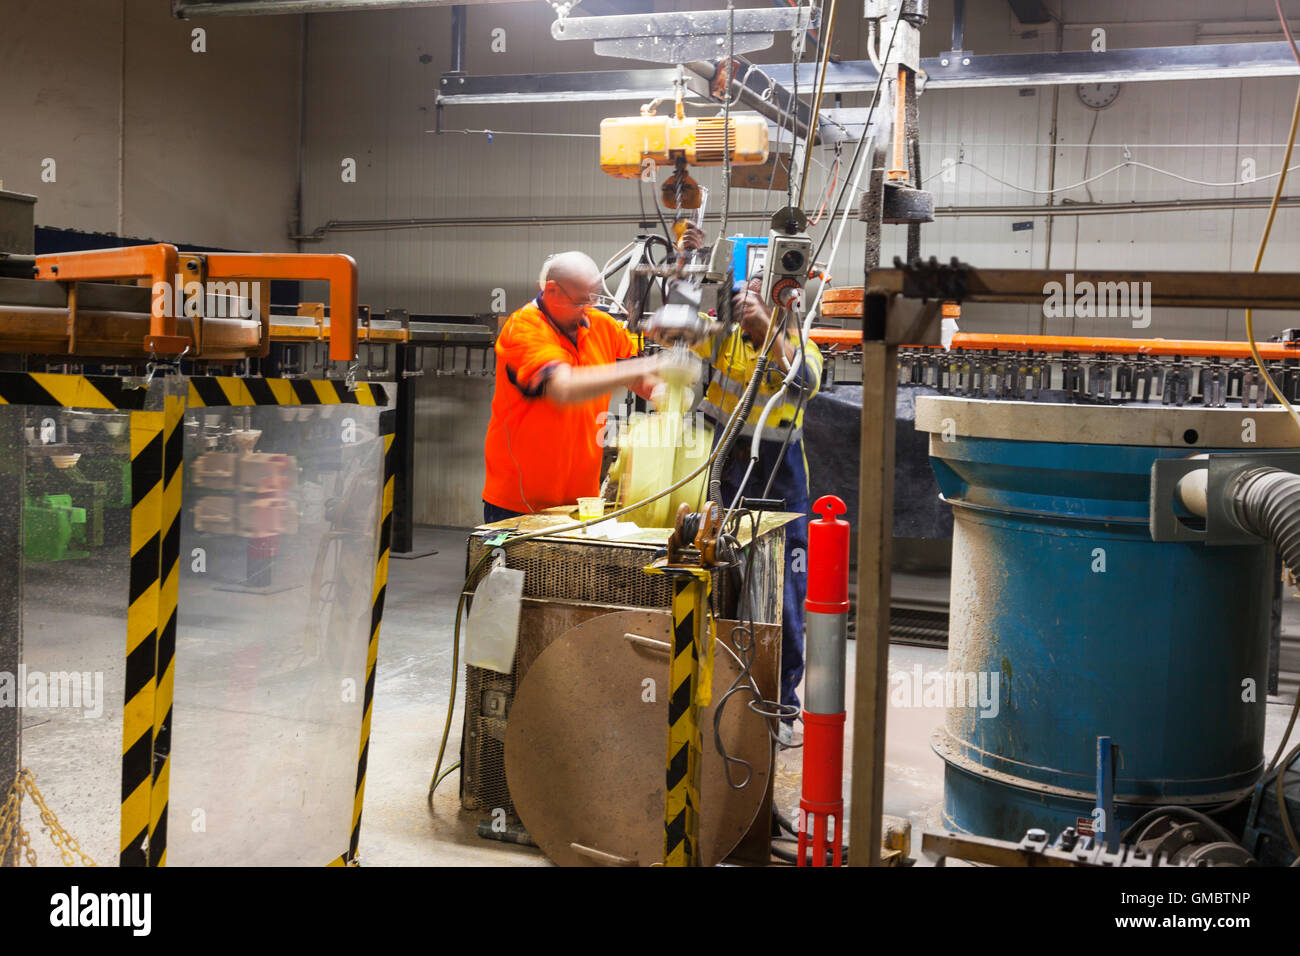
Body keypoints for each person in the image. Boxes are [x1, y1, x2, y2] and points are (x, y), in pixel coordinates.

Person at [685, 227, 824, 746]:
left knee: (783, 596)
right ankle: (713, 692)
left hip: (779, 480)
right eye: (745, 294)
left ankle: (782, 708)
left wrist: (769, 328)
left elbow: (806, 382)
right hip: (724, 473)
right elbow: (669, 329)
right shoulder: (720, 339)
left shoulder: (802, 345)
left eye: (761, 297)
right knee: (717, 583)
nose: (748, 303)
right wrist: (687, 260)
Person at [481, 251, 668, 523]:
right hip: (519, 505)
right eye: (581, 301)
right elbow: (563, 388)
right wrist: (641, 367)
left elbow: (642, 382)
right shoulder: (523, 328)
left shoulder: (601, 326)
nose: (588, 308)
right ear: (552, 290)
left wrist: (664, 390)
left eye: (593, 298)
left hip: (580, 505)